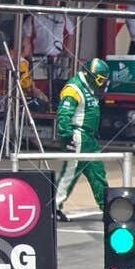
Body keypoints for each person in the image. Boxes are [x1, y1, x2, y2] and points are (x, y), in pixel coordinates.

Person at [54, 57, 112, 218]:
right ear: (91, 75)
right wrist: (67, 136)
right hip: (78, 136)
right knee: (70, 173)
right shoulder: (74, 88)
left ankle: (108, 207)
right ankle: (53, 207)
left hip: (90, 138)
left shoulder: (90, 88)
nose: (102, 84)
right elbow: (64, 114)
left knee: (97, 173)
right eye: (100, 80)